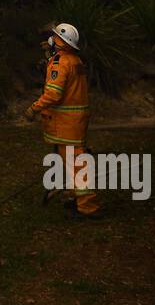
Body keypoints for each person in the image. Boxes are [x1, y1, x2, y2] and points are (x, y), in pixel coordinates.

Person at [21, 23, 102, 220]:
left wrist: (33, 109)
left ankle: (87, 207)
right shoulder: (75, 61)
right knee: (73, 163)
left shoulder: (60, 63)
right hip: (75, 122)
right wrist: (49, 62)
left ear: (58, 43)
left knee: (76, 165)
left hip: (67, 124)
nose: (50, 44)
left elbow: (54, 94)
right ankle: (78, 198)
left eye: (53, 41)